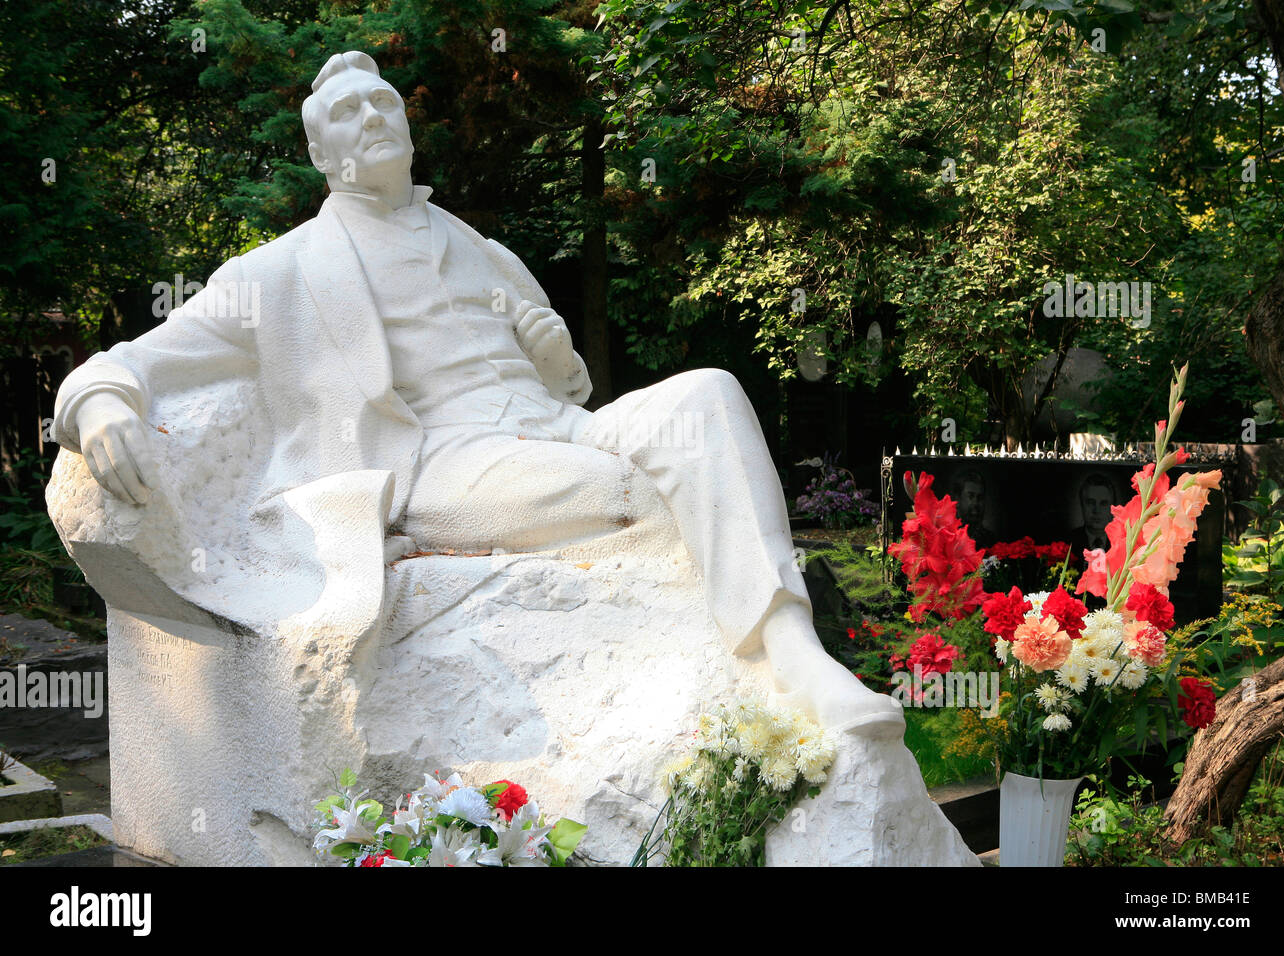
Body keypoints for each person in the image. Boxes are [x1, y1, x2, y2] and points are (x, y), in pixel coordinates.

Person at [52, 51, 903, 739]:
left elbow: (567, 386)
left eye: (384, 103)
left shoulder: (483, 248)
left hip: (559, 427)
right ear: (320, 155)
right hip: (443, 467)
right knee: (632, 496)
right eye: (347, 114)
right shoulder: (282, 271)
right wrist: (98, 407)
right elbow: (135, 358)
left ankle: (793, 650)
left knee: (708, 393)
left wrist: (559, 362)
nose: (373, 118)